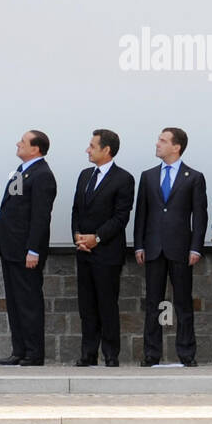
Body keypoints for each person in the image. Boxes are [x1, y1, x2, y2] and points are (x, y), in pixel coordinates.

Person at [134, 128, 207, 367]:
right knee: (153, 302)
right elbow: (141, 214)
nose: (157, 144)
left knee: (183, 302)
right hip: (154, 247)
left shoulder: (194, 177)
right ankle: (151, 353)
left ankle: (187, 353)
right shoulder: (148, 176)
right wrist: (139, 245)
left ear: (176, 147)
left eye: (163, 141)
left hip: (181, 248)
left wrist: (196, 247)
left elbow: (200, 215)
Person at [71, 129, 134, 367]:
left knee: (107, 304)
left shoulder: (123, 179)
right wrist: (78, 236)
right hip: (83, 251)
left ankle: (110, 354)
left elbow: (120, 217)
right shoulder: (84, 175)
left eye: (92, 145)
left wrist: (95, 238)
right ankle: (88, 353)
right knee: (86, 306)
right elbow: (76, 210)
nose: (88, 149)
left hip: (106, 252)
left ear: (106, 149)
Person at [0, 130, 57, 366]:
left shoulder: (42, 175)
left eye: (23, 142)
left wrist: (34, 250)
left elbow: (41, 217)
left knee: (28, 302)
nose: (17, 144)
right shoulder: (22, 172)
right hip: (11, 249)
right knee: (14, 301)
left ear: (36, 149)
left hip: (26, 252)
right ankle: (19, 350)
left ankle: (33, 352)